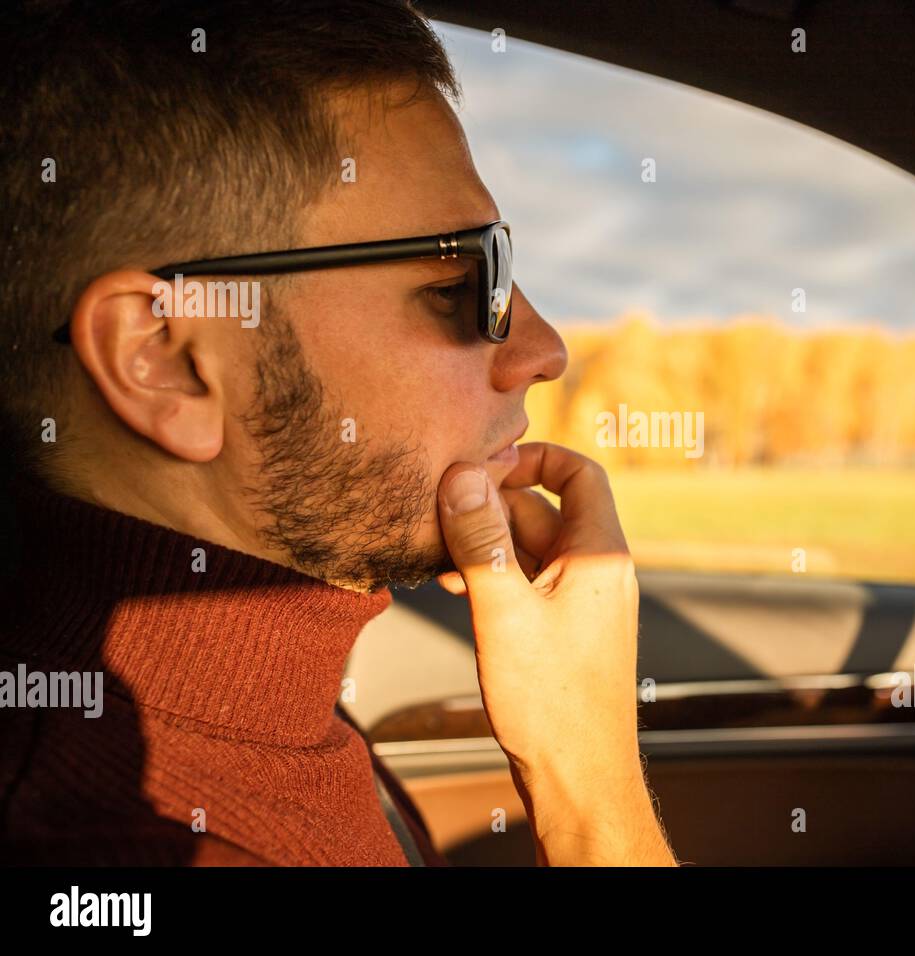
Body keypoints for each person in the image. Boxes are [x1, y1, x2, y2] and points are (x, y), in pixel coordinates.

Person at [0, 0, 677, 867]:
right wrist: (590, 794)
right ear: (166, 360)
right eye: (459, 286)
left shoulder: (263, 690)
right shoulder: (135, 840)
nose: (543, 352)